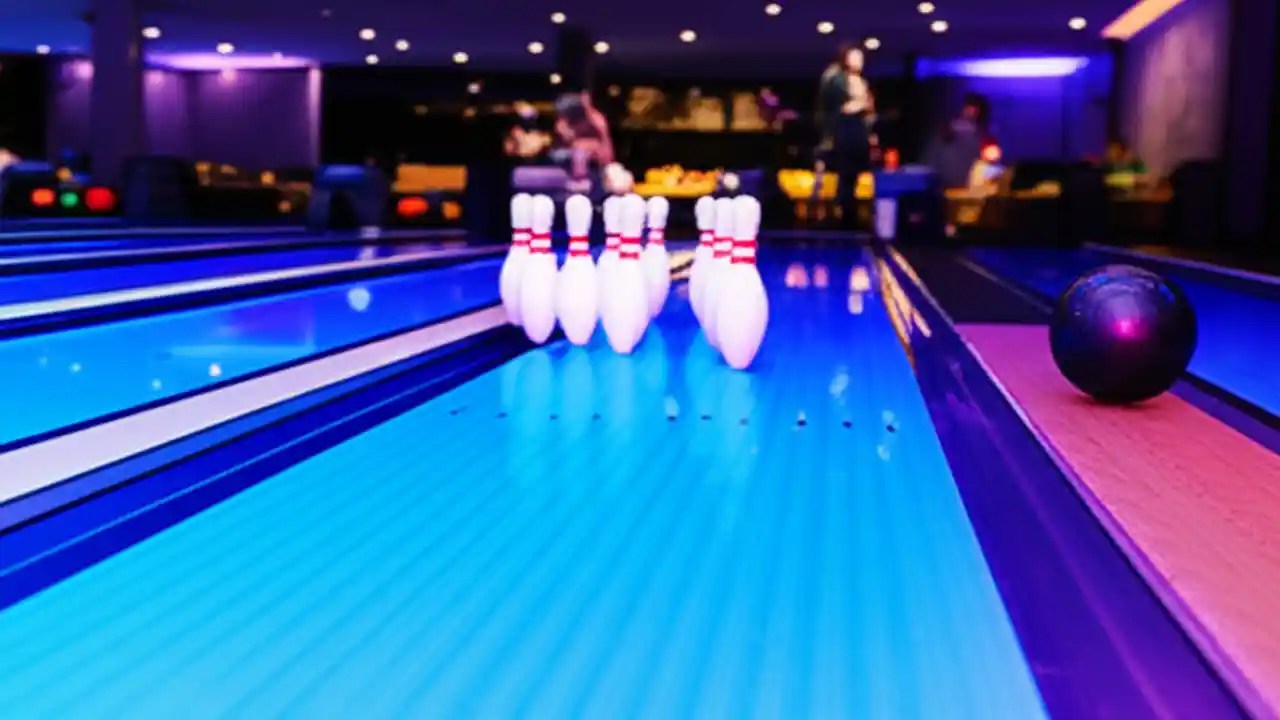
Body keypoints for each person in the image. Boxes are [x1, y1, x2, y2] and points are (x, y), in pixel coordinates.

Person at [817, 44, 875, 227]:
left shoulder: (862, 81)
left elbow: (868, 108)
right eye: (855, 57)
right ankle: (843, 213)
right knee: (845, 174)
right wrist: (853, 106)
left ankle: (851, 211)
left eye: (861, 58)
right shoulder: (836, 78)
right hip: (843, 129)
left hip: (859, 131)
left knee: (855, 174)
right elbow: (834, 107)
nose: (859, 62)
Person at [552, 91, 614, 192]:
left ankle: (581, 181)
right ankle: (577, 179)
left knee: (580, 150)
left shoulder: (596, 118)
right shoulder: (567, 118)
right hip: (566, 153)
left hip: (597, 154)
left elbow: (604, 141)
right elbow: (564, 135)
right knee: (577, 150)